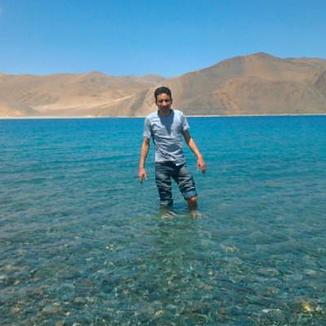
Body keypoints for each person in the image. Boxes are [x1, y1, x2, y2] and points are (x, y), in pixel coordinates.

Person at [138, 86, 206, 213]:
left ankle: (194, 219)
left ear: (171, 100)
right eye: (161, 101)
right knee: (165, 202)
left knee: (192, 197)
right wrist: (141, 167)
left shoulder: (179, 116)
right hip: (161, 165)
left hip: (180, 164)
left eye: (167, 100)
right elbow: (146, 143)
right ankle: (166, 229)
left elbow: (188, 138)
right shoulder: (150, 119)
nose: (164, 104)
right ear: (156, 102)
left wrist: (199, 156)